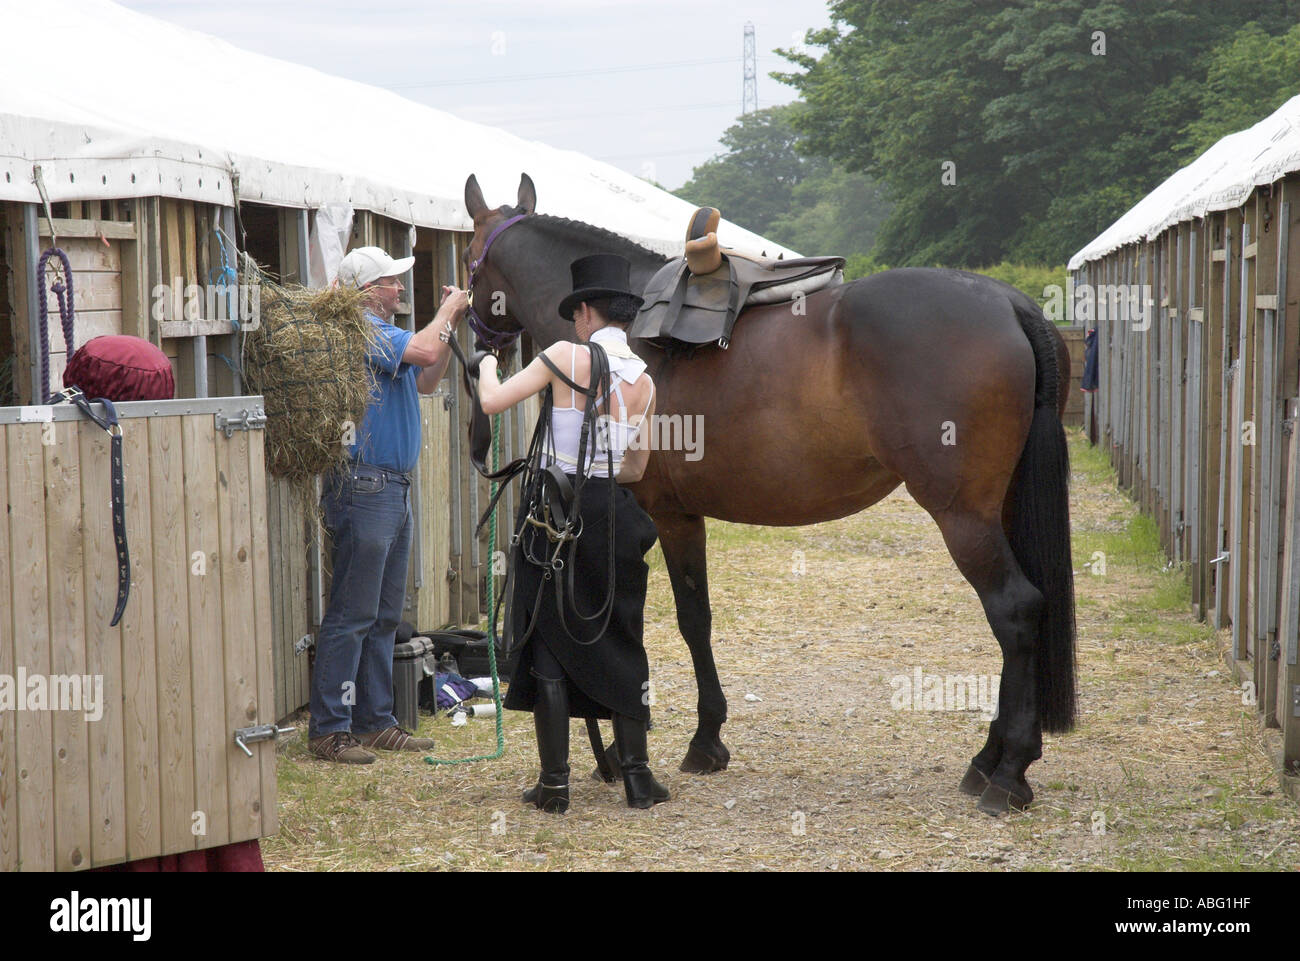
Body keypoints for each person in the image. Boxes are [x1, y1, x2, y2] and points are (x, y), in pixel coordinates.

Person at [475, 252, 669, 812]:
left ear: (585, 313)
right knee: (621, 633)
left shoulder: (564, 355)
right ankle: (636, 775)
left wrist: (487, 362)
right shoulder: (646, 383)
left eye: (577, 314)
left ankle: (555, 785)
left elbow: (492, 401)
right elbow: (637, 469)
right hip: (610, 511)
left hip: (555, 510)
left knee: (550, 641)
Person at [308, 245, 468, 763]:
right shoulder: (363, 330)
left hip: (389, 486)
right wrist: (445, 316)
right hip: (367, 485)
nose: (400, 289)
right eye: (392, 282)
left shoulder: (388, 338)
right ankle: (331, 729)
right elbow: (422, 354)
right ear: (368, 292)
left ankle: (374, 721)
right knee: (353, 614)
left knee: (381, 615)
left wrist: (447, 331)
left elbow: (426, 377)